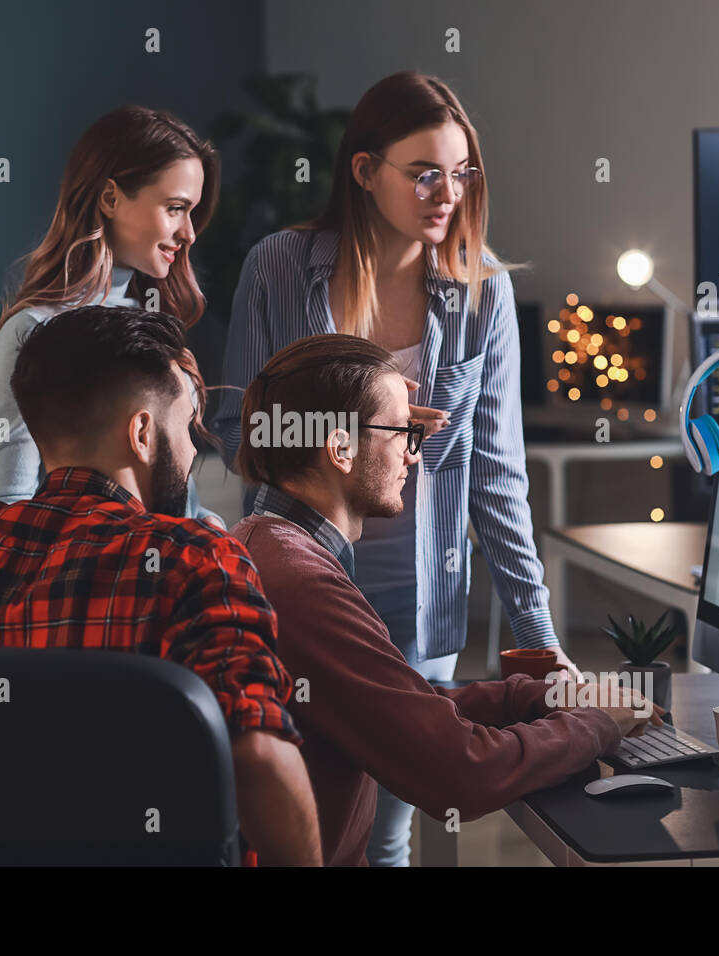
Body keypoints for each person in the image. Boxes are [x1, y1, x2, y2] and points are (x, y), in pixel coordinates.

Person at [211, 70, 584, 864]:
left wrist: (541, 642)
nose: (444, 192)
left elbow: (497, 478)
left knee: (390, 834)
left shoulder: (480, 291)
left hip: (422, 602)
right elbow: (229, 421)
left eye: (460, 172)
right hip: (300, 588)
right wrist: (352, 425)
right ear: (363, 170)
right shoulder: (279, 266)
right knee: (310, 819)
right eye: (423, 171)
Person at [228, 333, 660, 866]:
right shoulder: (301, 583)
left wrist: (539, 698)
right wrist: (599, 725)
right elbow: (461, 772)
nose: (415, 449)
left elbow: (399, 706)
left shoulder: (265, 545)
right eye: (402, 430)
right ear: (339, 448)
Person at [0, 305, 321, 866]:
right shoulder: (196, 558)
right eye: (184, 426)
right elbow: (258, 757)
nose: (189, 449)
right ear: (141, 432)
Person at [0, 105, 223, 525]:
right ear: (110, 198)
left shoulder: (146, 319)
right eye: (175, 208)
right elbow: (9, 504)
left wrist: (207, 529)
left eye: (192, 212)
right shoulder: (31, 331)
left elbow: (176, 493)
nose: (190, 233)